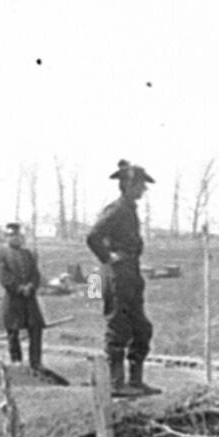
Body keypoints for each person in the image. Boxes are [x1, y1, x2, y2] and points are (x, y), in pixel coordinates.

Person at [87, 159, 160, 398]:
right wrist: (109, 257)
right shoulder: (117, 209)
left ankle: (136, 381)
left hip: (131, 272)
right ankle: (116, 383)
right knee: (118, 326)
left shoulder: (129, 210)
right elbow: (93, 236)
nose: (143, 189)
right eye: (140, 184)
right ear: (128, 185)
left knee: (141, 327)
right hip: (117, 275)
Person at [0, 223, 46, 375]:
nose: (15, 239)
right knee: (13, 332)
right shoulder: (2, 254)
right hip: (13, 299)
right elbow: (3, 276)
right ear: (7, 238)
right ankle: (16, 361)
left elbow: (35, 274)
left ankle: (36, 362)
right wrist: (18, 288)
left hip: (29, 299)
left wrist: (31, 286)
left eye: (17, 236)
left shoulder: (28, 254)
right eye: (11, 236)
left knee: (36, 328)